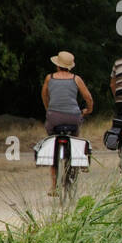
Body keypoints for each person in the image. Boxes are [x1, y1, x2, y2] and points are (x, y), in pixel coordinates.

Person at [40, 51, 93, 196]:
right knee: (76, 136)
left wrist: (48, 109)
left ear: (57, 65)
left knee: (52, 144)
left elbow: (44, 95)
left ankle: (53, 186)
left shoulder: (49, 78)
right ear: (70, 66)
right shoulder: (76, 79)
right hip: (72, 117)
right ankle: (80, 159)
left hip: (53, 117)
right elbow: (88, 97)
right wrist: (88, 109)